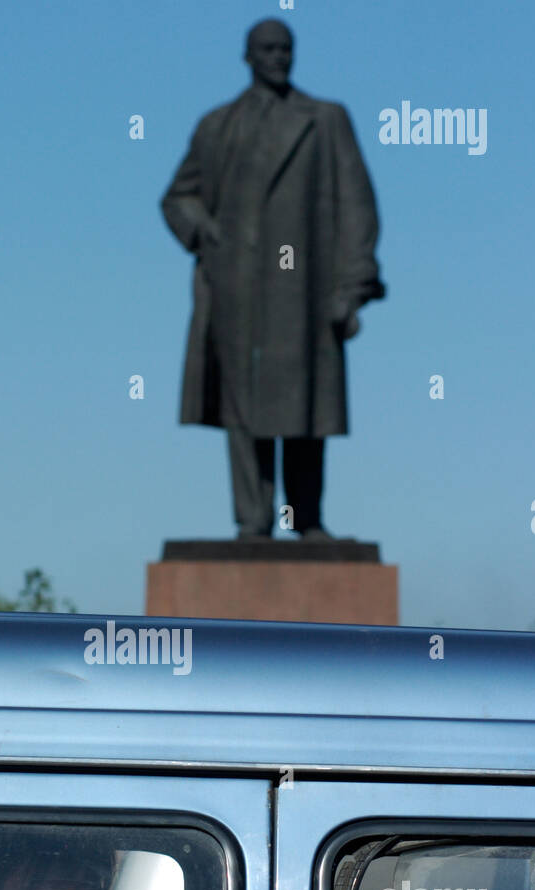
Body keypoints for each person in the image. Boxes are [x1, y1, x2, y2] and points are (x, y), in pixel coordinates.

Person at [161, 18, 385, 539]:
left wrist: (352, 285)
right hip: (235, 288)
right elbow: (178, 197)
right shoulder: (217, 124)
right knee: (243, 408)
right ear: (247, 56)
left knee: (304, 407)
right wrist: (205, 235)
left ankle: (307, 518)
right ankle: (253, 520)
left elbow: (358, 207)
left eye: (286, 49)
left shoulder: (325, 120)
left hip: (303, 290)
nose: (279, 57)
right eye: (268, 49)